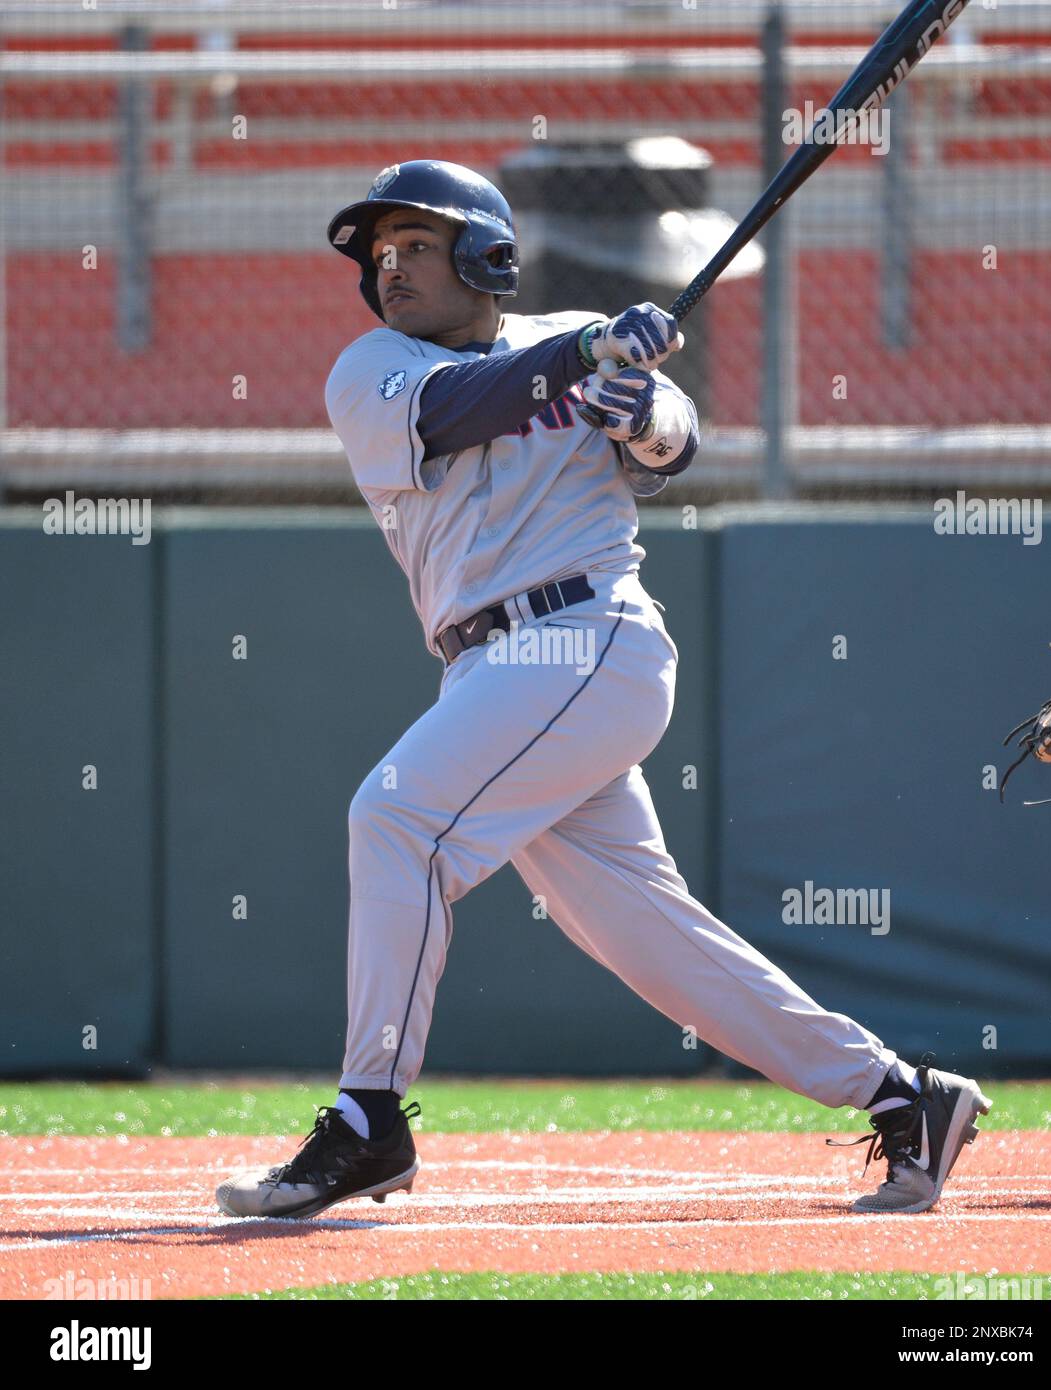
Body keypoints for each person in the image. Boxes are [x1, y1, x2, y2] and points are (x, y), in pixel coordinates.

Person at [216, 161, 991, 1222]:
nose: (390, 269)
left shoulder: (588, 333)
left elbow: (678, 440)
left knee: (395, 816)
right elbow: (464, 406)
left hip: (588, 638)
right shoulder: (374, 370)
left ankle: (368, 1118)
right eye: (379, 253)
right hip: (491, 672)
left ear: (488, 256)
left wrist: (638, 415)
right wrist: (577, 362)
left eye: (415, 245)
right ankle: (903, 1096)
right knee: (645, 937)